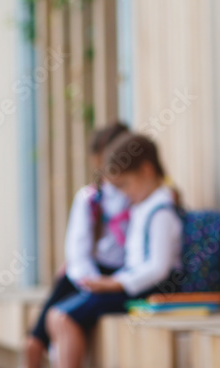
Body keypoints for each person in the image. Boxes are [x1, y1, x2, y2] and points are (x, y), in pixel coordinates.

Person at [46, 133, 183, 368]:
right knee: (56, 316)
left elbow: (159, 268)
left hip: (148, 288)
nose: (123, 193)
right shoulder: (144, 207)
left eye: (125, 185)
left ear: (147, 171)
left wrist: (115, 283)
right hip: (131, 284)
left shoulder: (161, 211)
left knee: (63, 317)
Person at [25, 122, 131, 368]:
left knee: (62, 319)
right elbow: (77, 253)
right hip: (85, 276)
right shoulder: (91, 198)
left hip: (119, 278)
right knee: (32, 344)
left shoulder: (139, 199)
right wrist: (92, 284)